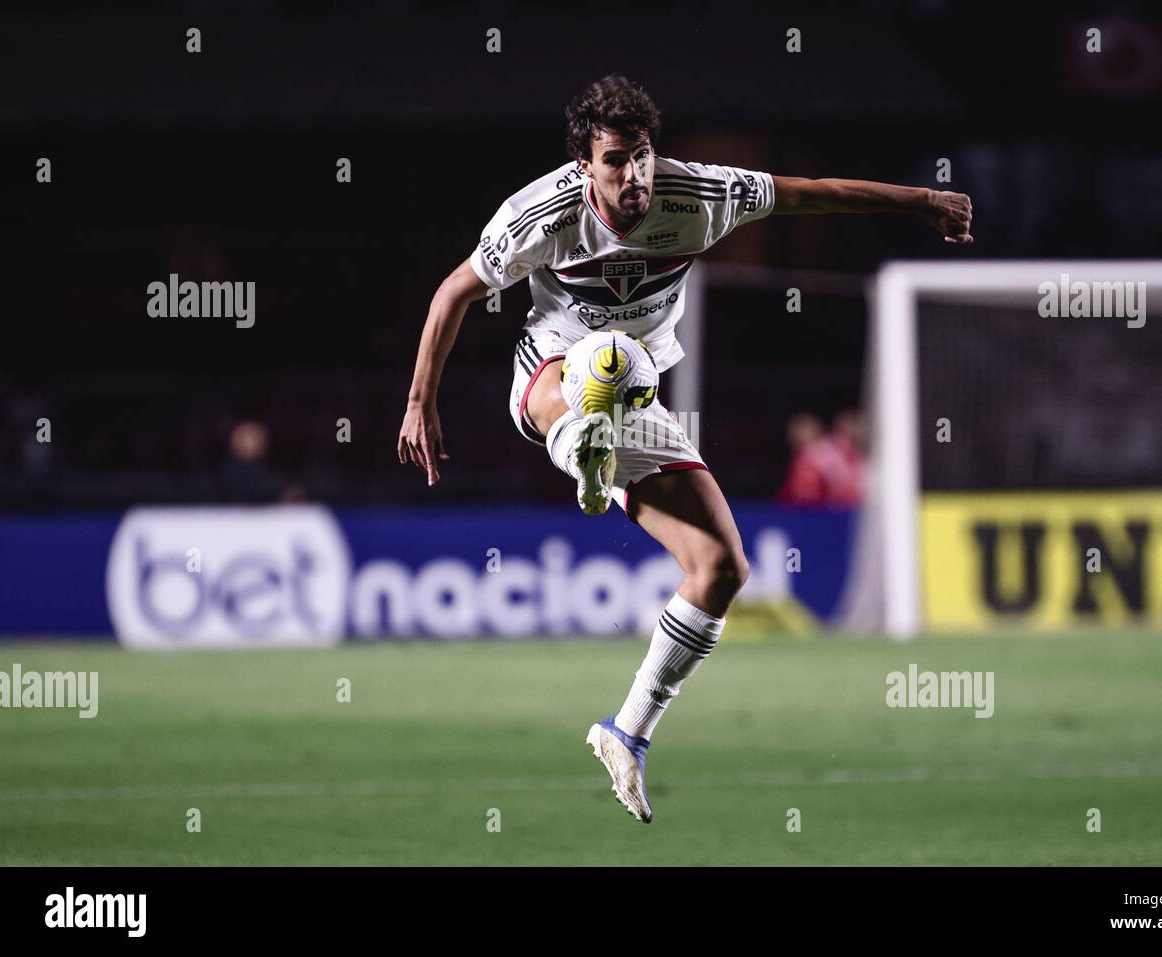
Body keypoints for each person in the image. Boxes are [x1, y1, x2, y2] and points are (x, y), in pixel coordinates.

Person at [397, 74, 972, 822]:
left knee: (721, 567)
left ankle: (627, 730)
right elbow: (454, 291)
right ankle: (581, 440)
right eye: (615, 160)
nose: (633, 174)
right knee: (601, 361)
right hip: (550, 372)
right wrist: (420, 402)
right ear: (584, 166)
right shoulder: (541, 213)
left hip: (637, 393)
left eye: (641, 154)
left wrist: (922, 201)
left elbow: (810, 193)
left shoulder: (698, 194)